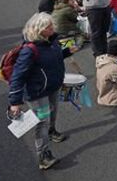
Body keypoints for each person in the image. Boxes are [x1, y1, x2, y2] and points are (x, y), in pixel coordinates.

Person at [8, 13, 78, 170]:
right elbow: (18, 76)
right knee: (42, 123)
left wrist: (67, 52)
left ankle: (52, 131)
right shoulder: (29, 50)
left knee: (53, 113)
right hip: (37, 92)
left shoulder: (51, 42)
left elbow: (55, 57)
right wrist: (15, 102)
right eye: (48, 27)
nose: (53, 28)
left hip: (52, 86)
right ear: (39, 30)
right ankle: (43, 156)